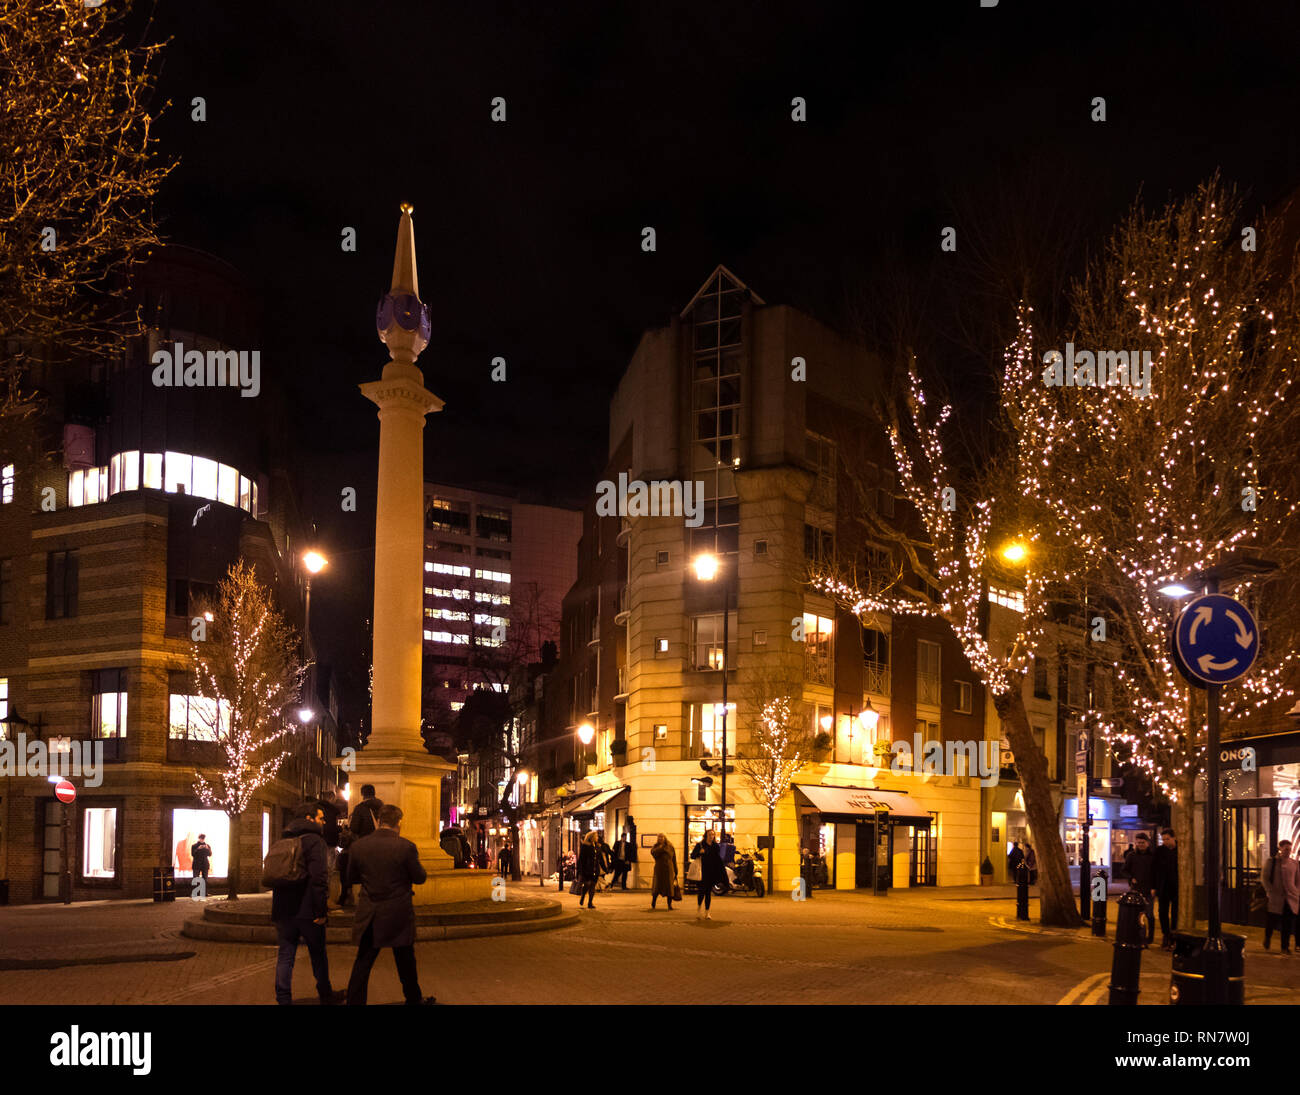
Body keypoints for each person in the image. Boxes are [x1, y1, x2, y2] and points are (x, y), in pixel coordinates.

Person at [345, 804, 434, 1005]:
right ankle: (413, 998)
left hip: (370, 912)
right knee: (405, 960)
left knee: (364, 960)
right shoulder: (406, 847)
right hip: (397, 912)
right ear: (399, 822)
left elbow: (351, 876)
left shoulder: (359, 846)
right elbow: (419, 878)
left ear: (379, 821)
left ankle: (355, 1000)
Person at [270, 802, 341, 1006]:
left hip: (283, 909)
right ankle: (325, 995)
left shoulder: (283, 838)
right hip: (307, 909)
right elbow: (319, 878)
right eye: (321, 818)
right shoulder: (314, 841)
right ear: (309, 818)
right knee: (318, 955)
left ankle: (283, 999)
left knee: (285, 955)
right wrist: (321, 910)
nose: (324, 821)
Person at [1262, 839, 1300, 954]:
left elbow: (1298, 880)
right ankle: (1268, 937)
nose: (1288, 851)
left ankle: (1285, 947)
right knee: (1272, 921)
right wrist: (1270, 891)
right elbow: (1265, 878)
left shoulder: (1294, 864)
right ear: (1280, 849)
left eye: (1289, 849)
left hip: (1291, 898)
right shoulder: (1272, 862)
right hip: (1276, 897)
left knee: (1287, 923)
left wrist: (1297, 892)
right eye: (1286, 849)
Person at [1123, 832, 1156, 945]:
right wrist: (1131, 878)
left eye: (1143, 842)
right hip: (1136, 889)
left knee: (1149, 914)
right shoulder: (1131, 856)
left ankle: (1150, 937)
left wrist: (1154, 887)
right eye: (1138, 843)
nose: (1140, 845)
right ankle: (1140, 937)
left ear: (1147, 843)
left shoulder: (1152, 856)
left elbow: (1156, 873)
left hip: (1149, 890)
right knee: (1139, 915)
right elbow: (1124, 870)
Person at [691, 828, 727, 919]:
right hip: (702, 872)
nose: (712, 836)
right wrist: (699, 852)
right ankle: (699, 909)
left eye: (713, 835)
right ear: (706, 835)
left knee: (708, 893)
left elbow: (717, 859)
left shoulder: (715, 846)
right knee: (701, 892)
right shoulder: (700, 845)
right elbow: (692, 856)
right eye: (710, 834)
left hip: (711, 872)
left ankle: (707, 913)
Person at [1153, 828, 1179, 948]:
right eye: (1163, 839)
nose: (1165, 842)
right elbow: (1154, 869)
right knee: (1162, 912)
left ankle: (1174, 934)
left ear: (1174, 838)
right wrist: (1154, 887)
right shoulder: (1159, 851)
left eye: (1167, 839)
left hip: (1177, 887)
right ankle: (1166, 934)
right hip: (1163, 886)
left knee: (1175, 912)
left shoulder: (1180, 850)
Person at [650, 833, 677, 910]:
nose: (660, 839)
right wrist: (661, 848)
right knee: (657, 886)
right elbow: (653, 853)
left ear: (665, 838)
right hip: (659, 869)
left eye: (662, 837)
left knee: (669, 887)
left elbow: (674, 859)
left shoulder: (670, 846)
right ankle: (653, 902)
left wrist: (676, 870)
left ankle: (669, 905)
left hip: (669, 869)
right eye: (659, 837)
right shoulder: (655, 846)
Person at [576, 831, 601, 908]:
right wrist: (580, 870)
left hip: (595, 869)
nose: (597, 837)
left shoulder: (597, 846)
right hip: (587, 869)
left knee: (593, 886)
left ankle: (590, 903)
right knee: (587, 884)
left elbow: (599, 859)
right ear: (591, 837)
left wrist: (605, 868)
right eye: (596, 836)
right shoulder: (585, 846)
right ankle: (583, 895)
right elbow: (581, 859)